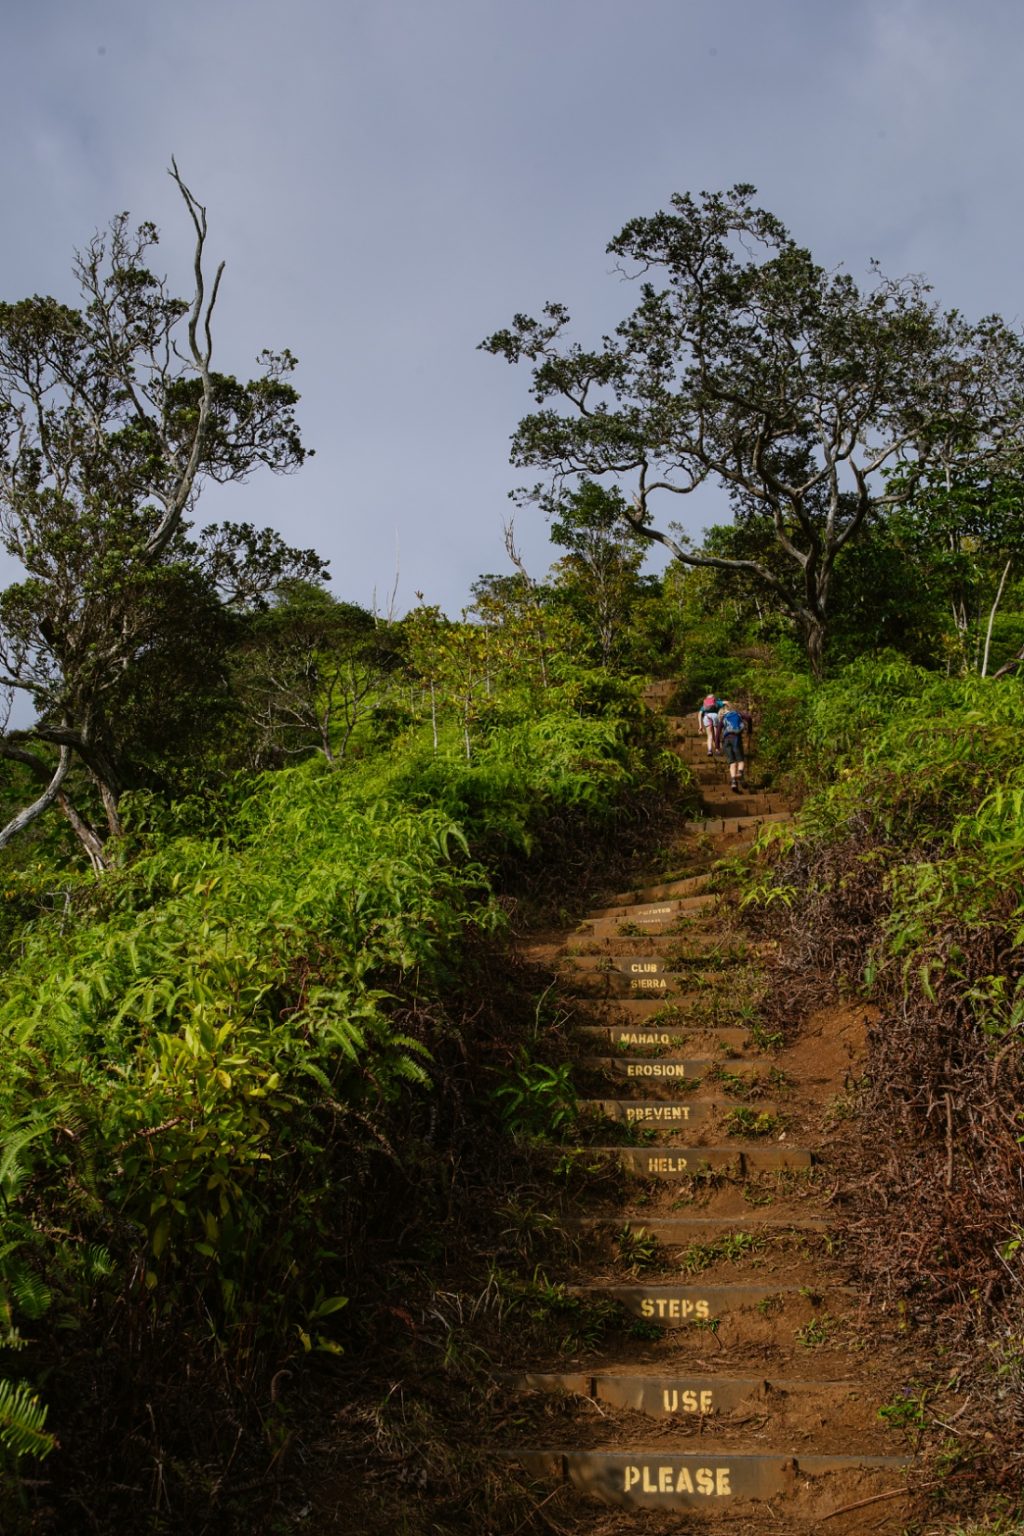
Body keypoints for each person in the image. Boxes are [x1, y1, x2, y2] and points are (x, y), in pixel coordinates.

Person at [717, 700, 753, 791]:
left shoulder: (723, 717)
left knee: (732, 763)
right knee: (740, 760)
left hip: (726, 740)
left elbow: (717, 733)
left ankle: (733, 782)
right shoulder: (738, 713)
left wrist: (717, 746)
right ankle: (740, 773)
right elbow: (749, 718)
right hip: (736, 738)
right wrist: (749, 730)